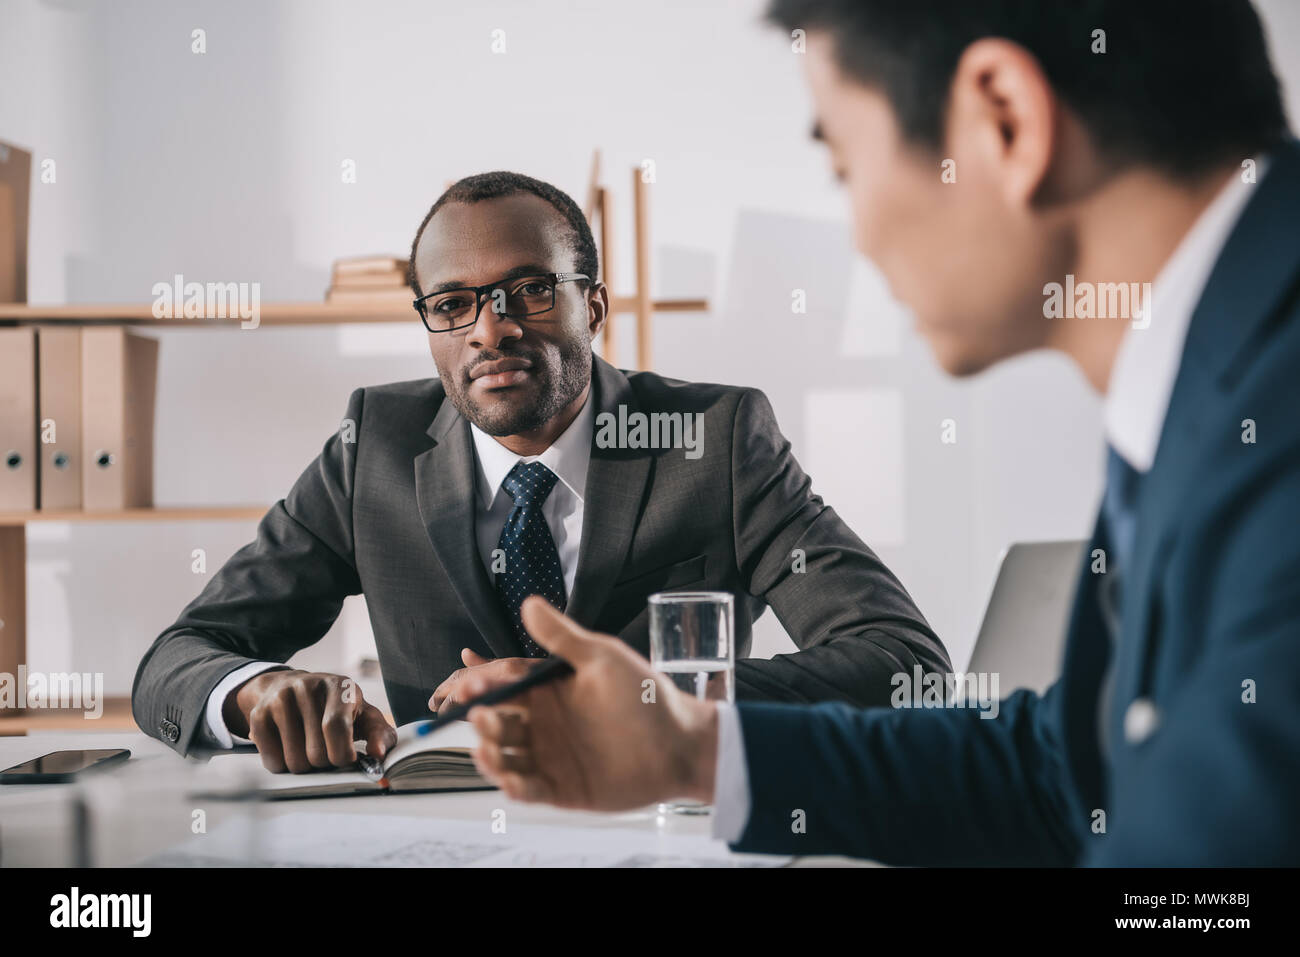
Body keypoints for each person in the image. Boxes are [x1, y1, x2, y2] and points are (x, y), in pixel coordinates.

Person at [466, 1, 1300, 865]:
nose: (858, 236)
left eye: (843, 165)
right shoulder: (1210, 388)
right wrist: (694, 750)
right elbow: (1069, 776)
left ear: (1004, 119)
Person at [131, 171, 948, 772]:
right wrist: (256, 690)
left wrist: (628, 692)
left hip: (662, 827)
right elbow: (178, 656)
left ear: (592, 308)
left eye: (529, 290)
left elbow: (904, 661)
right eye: (453, 303)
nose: (493, 330)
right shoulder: (371, 446)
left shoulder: (716, 440)